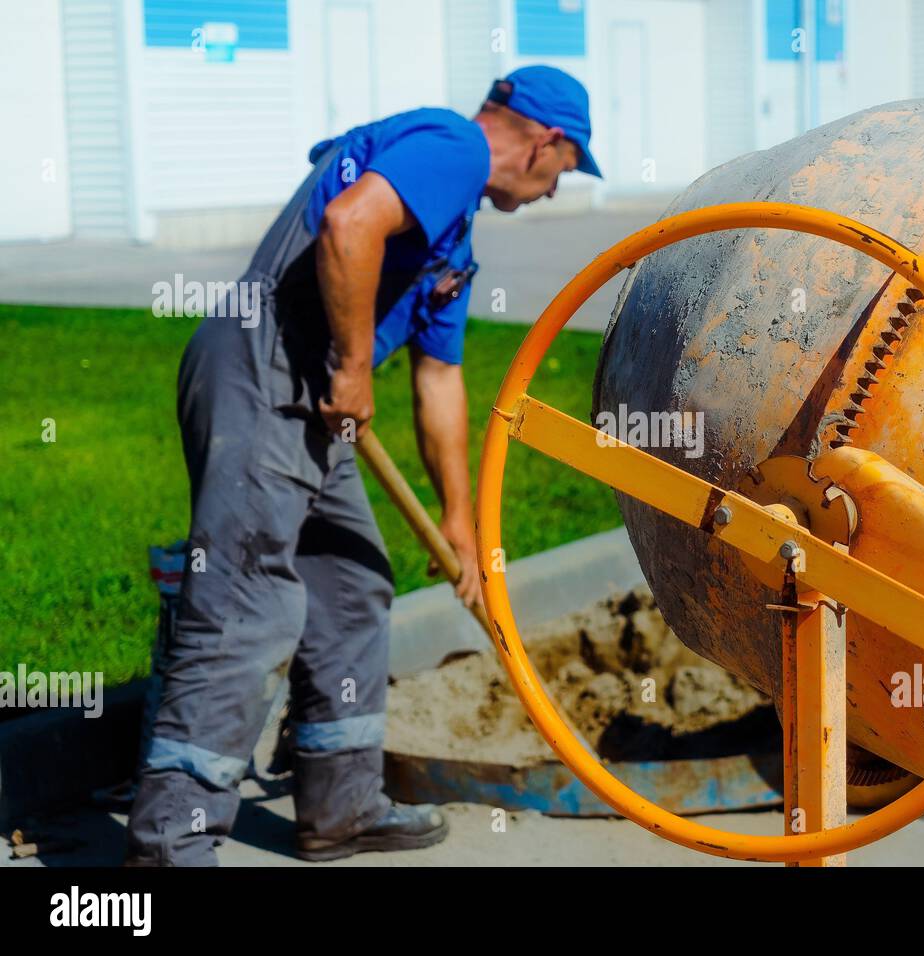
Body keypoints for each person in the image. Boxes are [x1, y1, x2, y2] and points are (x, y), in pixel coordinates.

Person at [125, 65, 601, 865]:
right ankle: (171, 840)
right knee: (246, 601)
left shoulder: (453, 240)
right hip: (267, 370)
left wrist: (458, 517)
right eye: (569, 167)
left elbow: (439, 378)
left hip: (319, 403)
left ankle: (340, 808)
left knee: (350, 586)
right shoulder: (453, 148)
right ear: (546, 141)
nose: (558, 189)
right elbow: (348, 225)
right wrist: (350, 368)